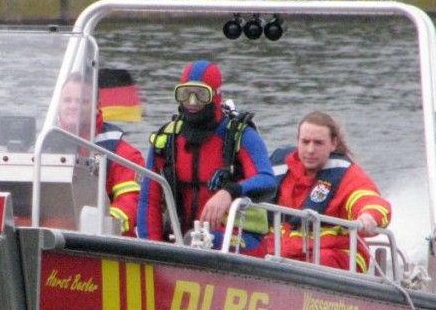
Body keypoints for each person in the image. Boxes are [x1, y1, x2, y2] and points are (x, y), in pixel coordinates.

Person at [137, 60, 275, 252]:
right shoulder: (165, 140)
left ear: (216, 96)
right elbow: (148, 200)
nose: (192, 102)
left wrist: (229, 192)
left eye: (201, 95)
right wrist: (150, 250)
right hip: (183, 241)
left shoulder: (241, 136)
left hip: (240, 238)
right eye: (185, 94)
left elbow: (267, 180)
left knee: (211, 240)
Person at [271, 110, 392, 272]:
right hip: (282, 254)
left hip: (335, 255)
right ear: (297, 141)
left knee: (323, 260)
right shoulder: (279, 168)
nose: (310, 149)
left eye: (318, 143)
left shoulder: (345, 175)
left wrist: (369, 216)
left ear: (333, 144)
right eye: (305, 142)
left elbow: (368, 199)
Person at [57, 72, 145, 236]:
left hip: (105, 246)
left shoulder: (123, 155)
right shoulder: (42, 147)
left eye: (82, 101)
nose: (73, 106)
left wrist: (102, 224)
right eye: (67, 100)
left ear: (97, 106)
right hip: (51, 236)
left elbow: (131, 203)